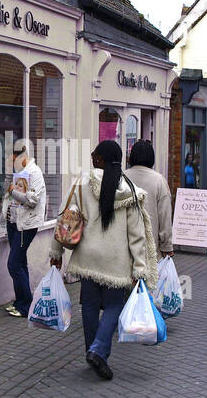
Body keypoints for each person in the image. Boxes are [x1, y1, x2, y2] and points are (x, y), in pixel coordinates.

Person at [49, 140, 157, 381]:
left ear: (100, 159)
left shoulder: (81, 183)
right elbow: (137, 235)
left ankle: (92, 350)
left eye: (94, 154)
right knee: (114, 305)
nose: (91, 157)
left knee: (88, 306)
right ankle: (98, 350)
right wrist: (140, 267)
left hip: (87, 258)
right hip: (116, 261)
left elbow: (65, 219)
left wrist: (56, 253)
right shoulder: (129, 189)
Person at [4, 142, 47, 318]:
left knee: (13, 264)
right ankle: (19, 302)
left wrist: (13, 191)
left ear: (22, 157)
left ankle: (26, 304)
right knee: (20, 263)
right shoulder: (18, 172)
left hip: (26, 224)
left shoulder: (34, 173)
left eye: (14, 160)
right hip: (14, 221)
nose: (12, 163)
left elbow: (32, 200)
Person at [125, 140, 174, 260]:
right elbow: (165, 216)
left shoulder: (123, 177)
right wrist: (166, 246)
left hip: (125, 242)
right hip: (149, 245)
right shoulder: (159, 180)